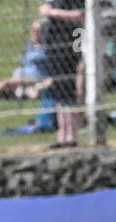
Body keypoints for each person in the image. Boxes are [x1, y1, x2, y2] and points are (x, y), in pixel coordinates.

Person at [38, 0, 85, 147]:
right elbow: (44, 9)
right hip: (54, 47)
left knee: (68, 89)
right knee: (59, 90)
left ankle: (71, 136)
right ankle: (62, 136)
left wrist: (52, 12)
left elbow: (80, 15)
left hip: (71, 46)